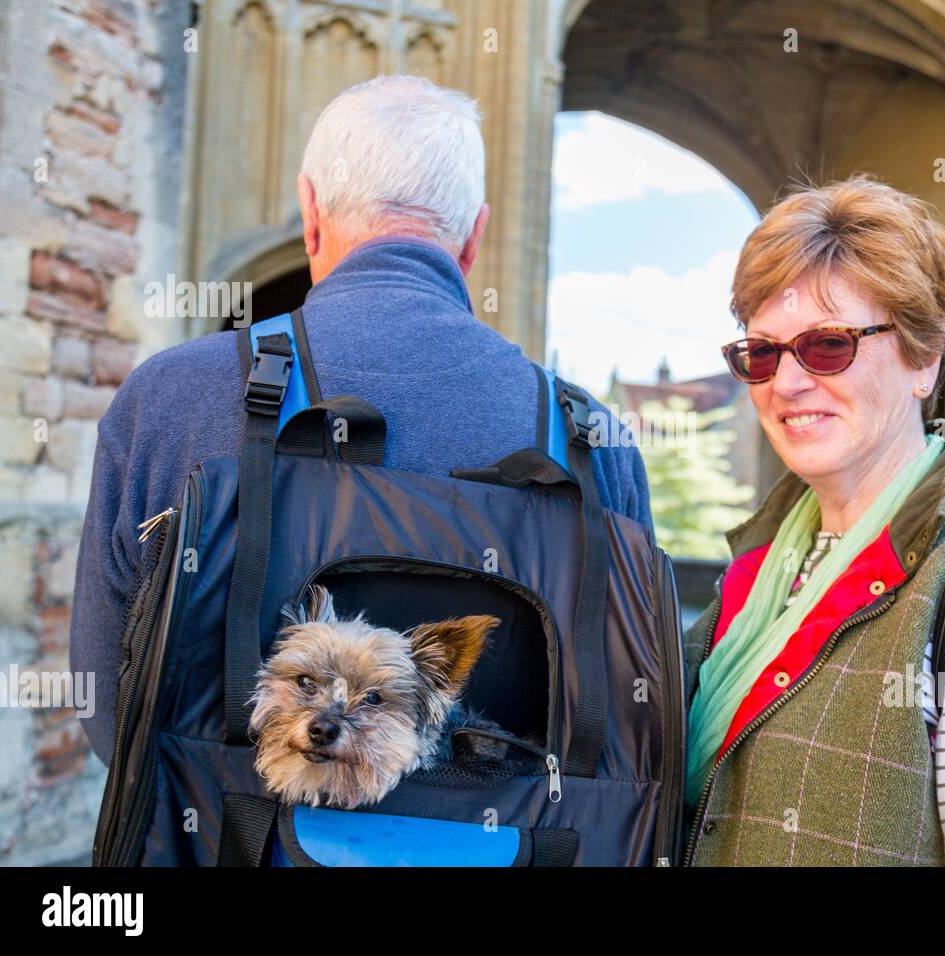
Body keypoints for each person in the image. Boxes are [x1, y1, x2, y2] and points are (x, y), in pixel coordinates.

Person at [70, 75, 652, 769]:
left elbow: (108, 702)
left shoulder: (171, 395)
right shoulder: (590, 440)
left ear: (309, 210)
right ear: (473, 236)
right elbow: (625, 731)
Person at [681, 174, 945, 867]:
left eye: (827, 345)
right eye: (762, 352)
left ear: (925, 359)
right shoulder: (762, 569)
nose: (787, 383)